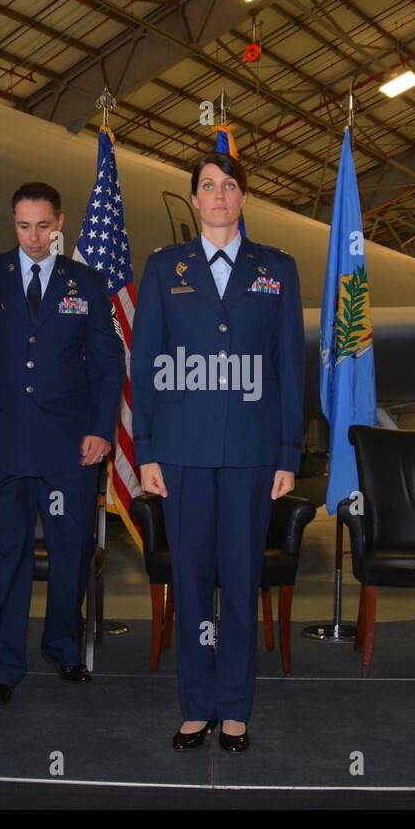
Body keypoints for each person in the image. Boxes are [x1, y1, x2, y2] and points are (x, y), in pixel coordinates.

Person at [131, 152, 305, 754]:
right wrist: (147, 449)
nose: (219, 196)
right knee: (191, 580)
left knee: (240, 578)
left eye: (230, 186)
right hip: (181, 453)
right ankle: (196, 705)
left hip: (253, 454)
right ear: (195, 199)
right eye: (208, 187)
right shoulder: (163, 269)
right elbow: (147, 362)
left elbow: (287, 364)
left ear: (243, 198)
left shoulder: (277, 268)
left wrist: (288, 452)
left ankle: (234, 707)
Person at [0, 182, 123, 707]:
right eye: (23, 225)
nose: (33, 237)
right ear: (12, 222)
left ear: (59, 221)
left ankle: (62, 646)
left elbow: (108, 363)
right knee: (7, 555)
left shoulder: (87, 283)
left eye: (43, 225)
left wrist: (101, 429)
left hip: (69, 448)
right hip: (0, 443)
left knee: (70, 555)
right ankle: (2, 665)